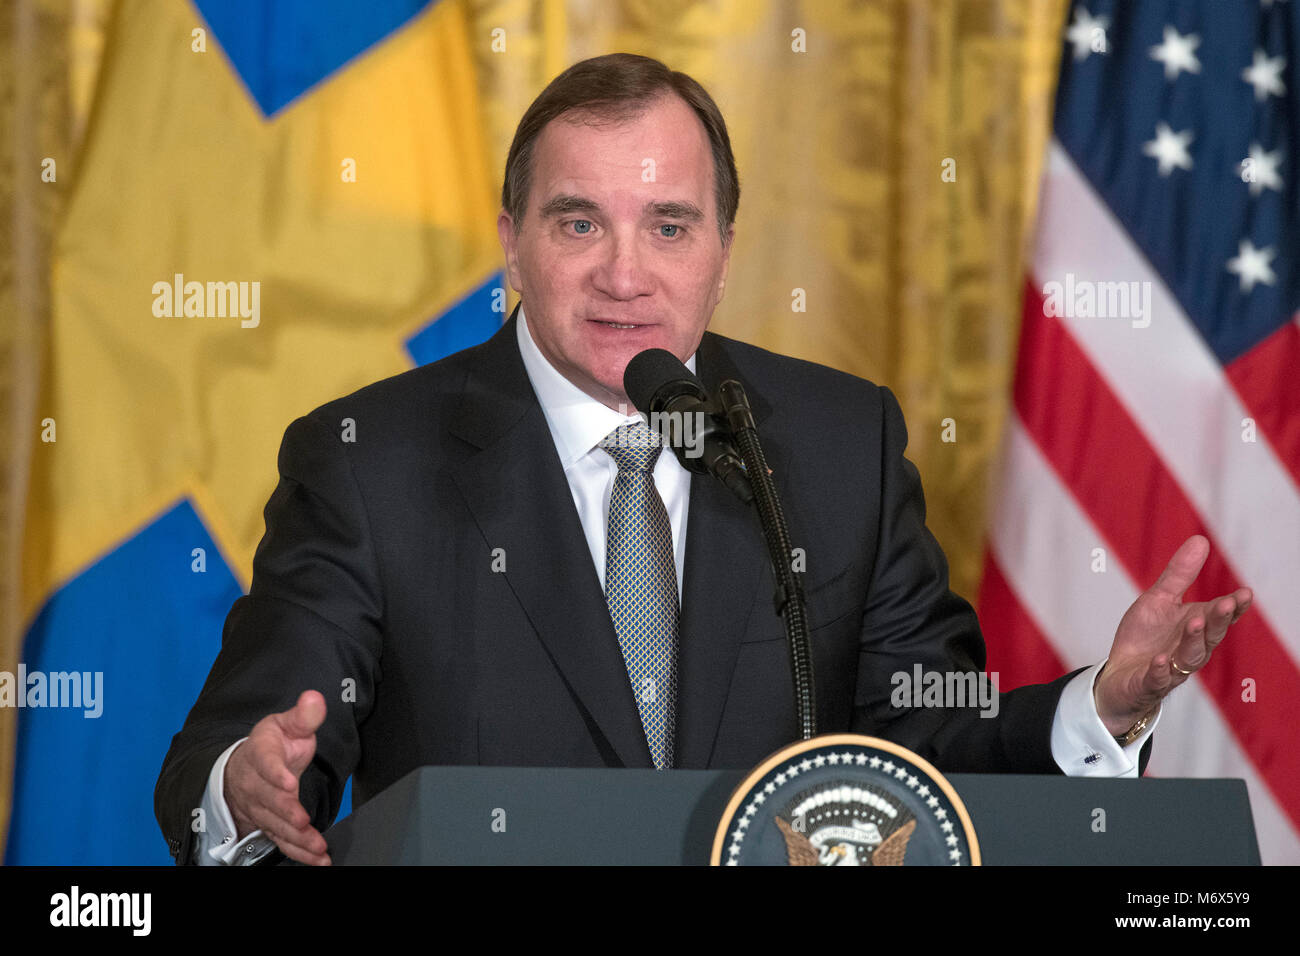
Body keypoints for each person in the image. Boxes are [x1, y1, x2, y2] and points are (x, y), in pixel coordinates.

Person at [154, 53, 1253, 866]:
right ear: (512, 240)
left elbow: (924, 745)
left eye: (669, 227)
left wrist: (1098, 708)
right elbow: (240, 745)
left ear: (725, 251)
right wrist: (244, 790)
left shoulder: (837, 443)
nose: (624, 276)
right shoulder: (371, 461)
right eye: (579, 223)